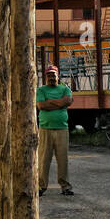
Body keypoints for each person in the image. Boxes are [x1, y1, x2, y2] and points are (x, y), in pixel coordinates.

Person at [36, 65, 74, 196]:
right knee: (43, 159)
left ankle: (65, 186)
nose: (51, 77)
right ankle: (41, 186)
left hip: (62, 129)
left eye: (53, 75)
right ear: (45, 77)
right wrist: (60, 103)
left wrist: (50, 102)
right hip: (45, 129)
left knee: (63, 159)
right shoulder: (41, 90)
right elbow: (41, 105)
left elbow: (68, 101)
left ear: (58, 76)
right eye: (49, 75)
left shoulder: (65, 89)